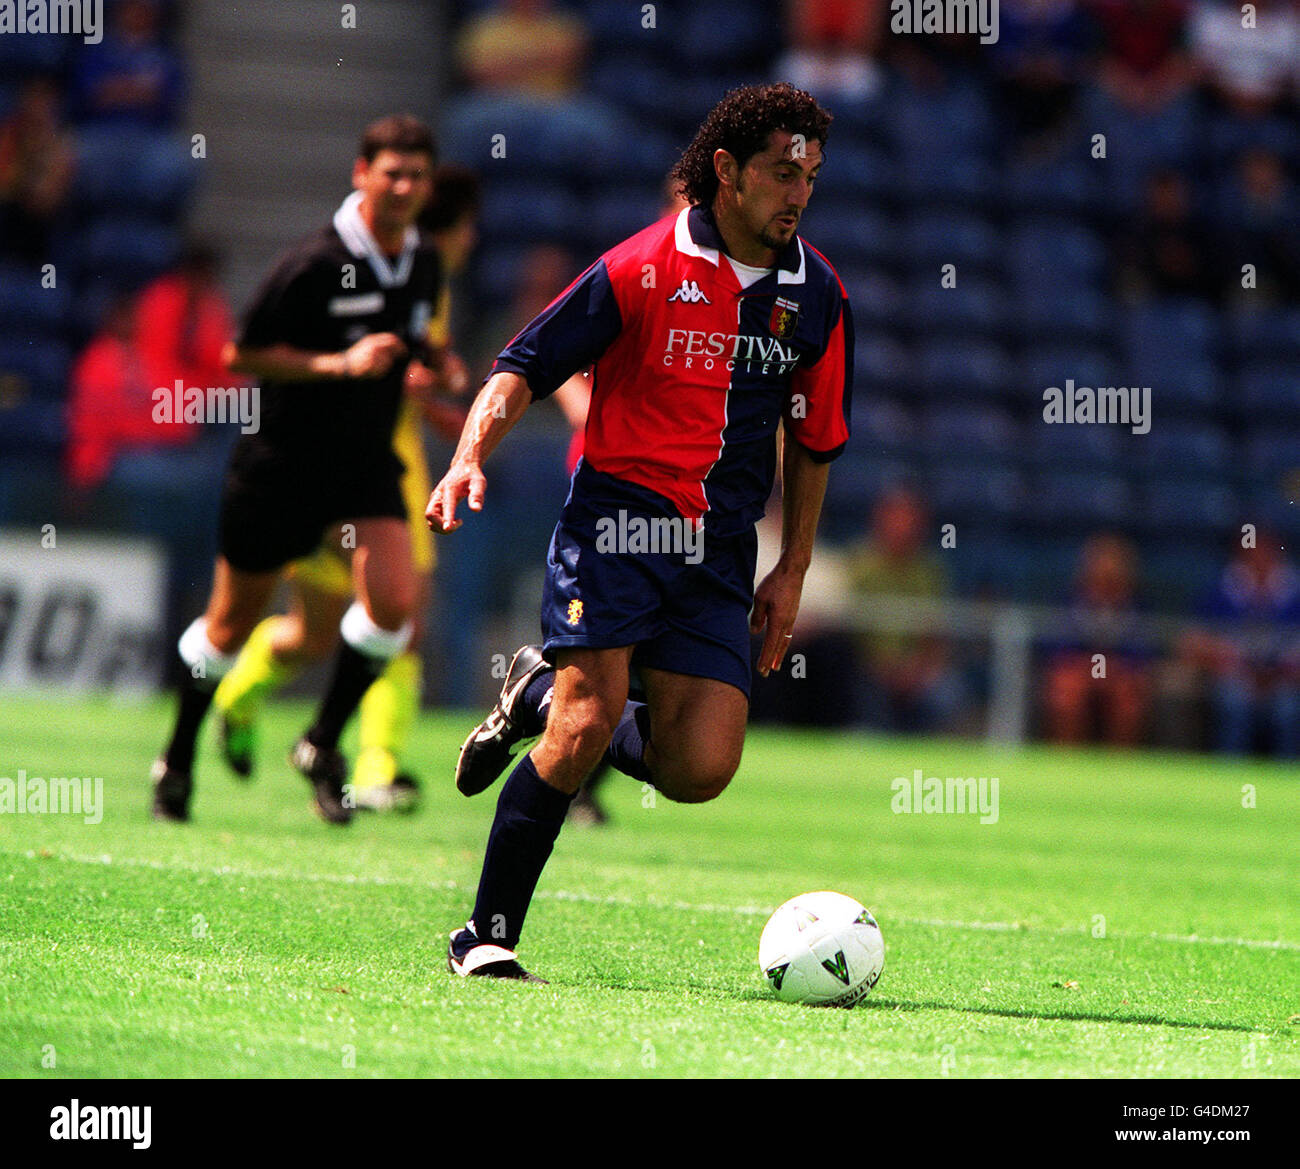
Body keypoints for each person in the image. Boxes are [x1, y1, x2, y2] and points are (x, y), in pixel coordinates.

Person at [428, 83, 853, 981]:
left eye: (810, 178)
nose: (798, 196)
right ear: (728, 173)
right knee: (584, 731)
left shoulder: (816, 295)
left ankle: (535, 693)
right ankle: (486, 935)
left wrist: (794, 567)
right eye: (783, 174)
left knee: (699, 766)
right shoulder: (641, 267)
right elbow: (522, 366)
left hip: (724, 548)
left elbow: (816, 438)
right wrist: (469, 455)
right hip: (617, 524)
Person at [149, 114, 442, 825]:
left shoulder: (423, 261)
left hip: (365, 462)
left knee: (395, 605)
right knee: (229, 624)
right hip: (281, 466)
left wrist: (435, 361)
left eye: (417, 174)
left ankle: (320, 738)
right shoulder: (313, 261)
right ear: (361, 174)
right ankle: (178, 754)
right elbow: (238, 355)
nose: (404, 186)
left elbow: (408, 337)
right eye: (391, 172)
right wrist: (336, 364)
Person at [208, 165, 480, 813]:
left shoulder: (417, 274)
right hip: (343, 466)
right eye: (470, 227)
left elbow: (410, 369)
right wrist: (433, 392)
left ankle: (367, 763)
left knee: (378, 619)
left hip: (385, 465)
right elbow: (386, 363)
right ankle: (246, 702)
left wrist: (436, 397)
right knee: (326, 630)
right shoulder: (408, 273)